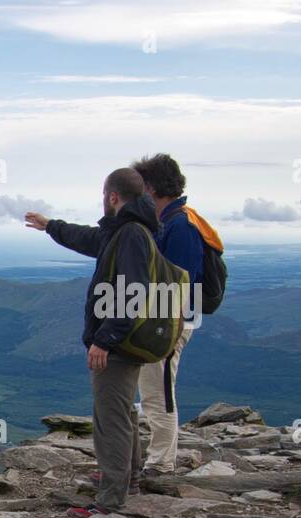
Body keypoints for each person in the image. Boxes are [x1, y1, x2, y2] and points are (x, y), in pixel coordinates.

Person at [24, 168, 160, 517]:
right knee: (122, 411)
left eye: (104, 193)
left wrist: (105, 339)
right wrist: (50, 225)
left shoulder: (130, 234)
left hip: (117, 343)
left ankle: (110, 502)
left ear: (112, 196)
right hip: (123, 341)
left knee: (109, 417)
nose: (102, 199)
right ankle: (128, 479)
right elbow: (88, 238)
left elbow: (134, 292)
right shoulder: (124, 231)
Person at [130, 153, 203, 475]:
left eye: (139, 187)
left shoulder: (180, 226)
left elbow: (180, 283)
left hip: (168, 323)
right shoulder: (170, 223)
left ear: (151, 188)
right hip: (160, 320)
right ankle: (153, 458)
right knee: (152, 390)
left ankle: (161, 464)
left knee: (159, 393)